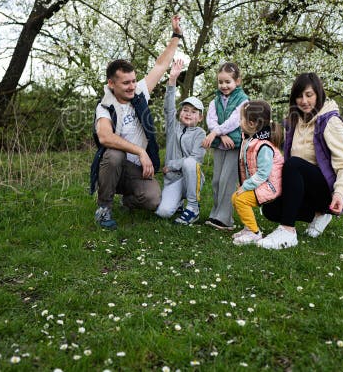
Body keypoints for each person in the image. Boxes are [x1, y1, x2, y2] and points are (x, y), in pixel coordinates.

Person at [89, 15, 184, 230]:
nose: (132, 86)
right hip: (114, 167)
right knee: (113, 154)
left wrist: (176, 35)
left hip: (137, 170)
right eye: (126, 83)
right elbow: (105, 137)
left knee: (153, 201)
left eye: (134, 81)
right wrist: (140, 151)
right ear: (111, 84)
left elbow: (161, 65)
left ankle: (127, 201)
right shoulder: (105, 107)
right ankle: (104, 208)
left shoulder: (140, 93)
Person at [259, 72, 343, 249]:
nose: (304, 101)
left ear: (318, 94)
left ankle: (287, 232)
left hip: (328, 191)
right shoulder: (294, 121)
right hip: (303, 187)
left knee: (294, 164)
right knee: (270, 208)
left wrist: (339, 193)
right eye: (299, 96)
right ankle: (318, 215)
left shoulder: (331, 123)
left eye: (309, 95)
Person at [154, 59, 207, 225]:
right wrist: (172, 80)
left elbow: (196, 159)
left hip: (192, 177)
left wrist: (173, 165)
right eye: (185, 110)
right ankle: (177, 204)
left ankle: (193, 208)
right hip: (173, 180)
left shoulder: (200, 133)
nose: (188, 114)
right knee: (163, 212)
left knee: (190, 163)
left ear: (200, 117)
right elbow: (168, 108)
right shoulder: (173, 127)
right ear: (180, 112)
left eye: (193, 112)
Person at [201, 62, 249, 230]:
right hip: (221, 143)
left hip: (234, 145)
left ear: (237, 81)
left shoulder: (243, 100)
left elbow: (235, 121)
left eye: (228, 82)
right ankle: (215, 213)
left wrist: (215, 133)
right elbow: (211, 120)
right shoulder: (215, 101)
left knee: (227, 181)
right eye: (220, 82)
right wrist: (220, 134)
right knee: (216, 181)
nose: (224, 85)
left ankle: (225, 218)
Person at [230, 100, 284, 245]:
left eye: (241, 119)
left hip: (270, 186)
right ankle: (248, 228)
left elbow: (263, 174)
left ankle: (254, 233)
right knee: (236, 198)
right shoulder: (251, 140)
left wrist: (246, 185)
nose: (239, 122)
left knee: (240, 199)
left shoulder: (263, 146)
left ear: (252, 123)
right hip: (261, 183)